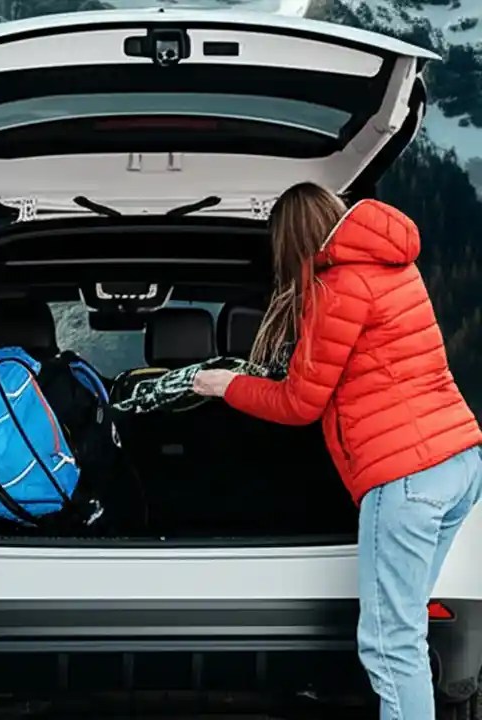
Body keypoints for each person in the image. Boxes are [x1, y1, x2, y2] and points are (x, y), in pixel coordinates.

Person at [192, 182, 482, 719]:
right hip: (459, 461)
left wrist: (222, 385)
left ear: (291, 239)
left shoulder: (337, 287)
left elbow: (301, 402)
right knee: (407, 627)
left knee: (390, 643)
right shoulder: (393, 265)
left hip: (405, 478)